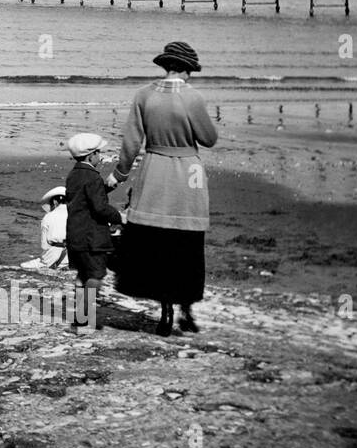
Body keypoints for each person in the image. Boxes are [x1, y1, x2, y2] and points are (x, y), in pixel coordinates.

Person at [107, 42, 219, 337]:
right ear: (187, 69)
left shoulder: (144, 95)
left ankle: (165, 313)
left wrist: (119, 175)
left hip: (154, 169)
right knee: (186, 244)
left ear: (165, 65)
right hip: (187, 174)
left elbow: (130, 144)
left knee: (157, 243)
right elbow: (209, 139)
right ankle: (187, 311)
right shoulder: (192, 97)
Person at [64, 134, 122, 328]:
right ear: (90, 156)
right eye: (98, 153)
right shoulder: (92, 177)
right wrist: (120, 217)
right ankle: (83, 318)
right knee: (96, 276)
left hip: (75, 235)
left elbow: (84, 199)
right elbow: (100, 208)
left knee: (82, 275)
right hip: (92, 237)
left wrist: (106, 187)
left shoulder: (74, 175)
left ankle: (79, 317)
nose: (101, 156)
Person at [21, 187, 70, 270]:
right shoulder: (74, 215)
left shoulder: (48, 217)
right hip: (70, 254)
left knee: (24, 266)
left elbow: (44, 245)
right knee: (62, 266)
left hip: (54, 252)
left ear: (55, 202)